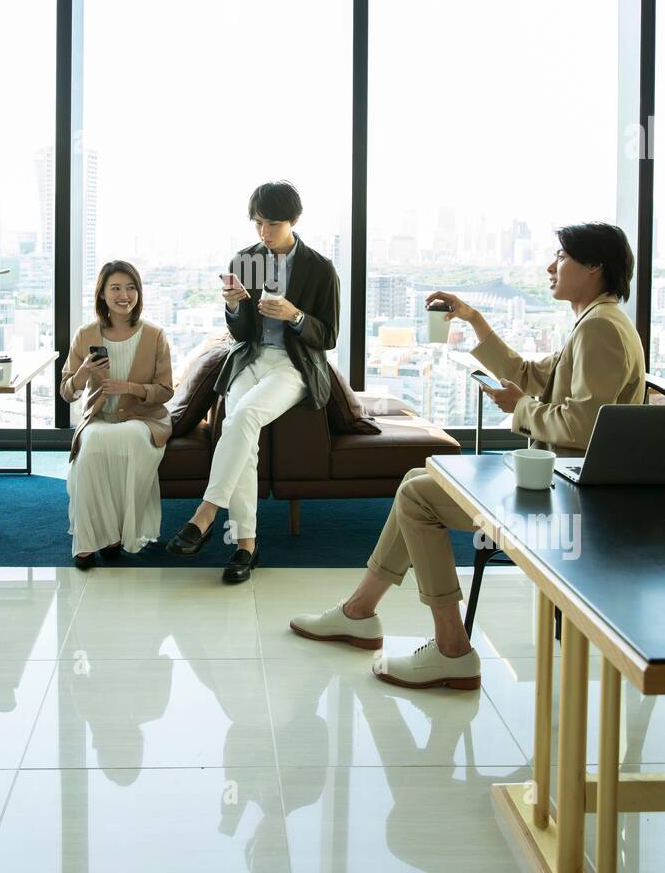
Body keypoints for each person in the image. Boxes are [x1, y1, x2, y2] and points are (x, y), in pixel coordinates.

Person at [291, 221, 646, 689]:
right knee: (416, 483)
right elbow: (527, 372)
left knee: (419, 496)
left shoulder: (600, 329)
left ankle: (451, 648)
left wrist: (520, 407)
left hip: (570, 500)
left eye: (560, 256)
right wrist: (473, 319)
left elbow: (583, 427)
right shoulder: (594, 321)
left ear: (595, 266)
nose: (549, 266)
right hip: (558, 481)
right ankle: (361, 612)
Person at [166, 180, 340, 584]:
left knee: (242, 417)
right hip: (252, 358)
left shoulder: (318, 268)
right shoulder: (248, 259)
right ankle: (246, 546)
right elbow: (242, 333)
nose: (263, 233)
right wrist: (232, 306)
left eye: (273, 224)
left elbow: (328, 337)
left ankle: (205, 514)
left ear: (294, 220)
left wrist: (294, 315)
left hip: (292, 365)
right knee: (238, 426)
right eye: (258, 223)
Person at [60, 260, 174, 567]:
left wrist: (131, 388)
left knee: (127, 437)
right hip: (98, 418)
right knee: (94, 444)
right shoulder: (85, 335)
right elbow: (67, 392)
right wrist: (83, 372)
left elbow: (165, 390)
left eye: (130, 287)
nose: (124, 295)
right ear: (102, 295)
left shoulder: (154, 335)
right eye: (116, 288)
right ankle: (90, 541)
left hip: (143, 419)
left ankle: (116, 535)